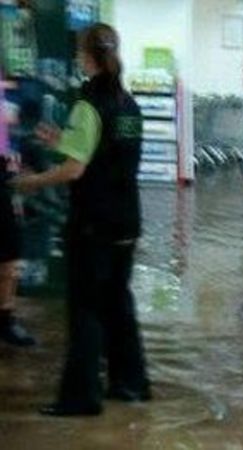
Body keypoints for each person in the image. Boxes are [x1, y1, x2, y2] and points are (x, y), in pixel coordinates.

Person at [10, 23, 150, 416]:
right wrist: (64, 142)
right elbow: (109, 151)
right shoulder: (128, 104)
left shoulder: (89, 103)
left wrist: (31, 182)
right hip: (126, 222)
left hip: (94, 224)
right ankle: (131, 384)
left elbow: (74, 170)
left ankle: (81, 397)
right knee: (119, 302)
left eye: (79, 52)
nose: (77, 59)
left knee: (85, 309)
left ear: (87, 57)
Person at [0, 72, 35, 347]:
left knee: (10, 255)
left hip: (6, 178)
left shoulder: (13, 92)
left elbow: (18, 134)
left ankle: (6, 320)